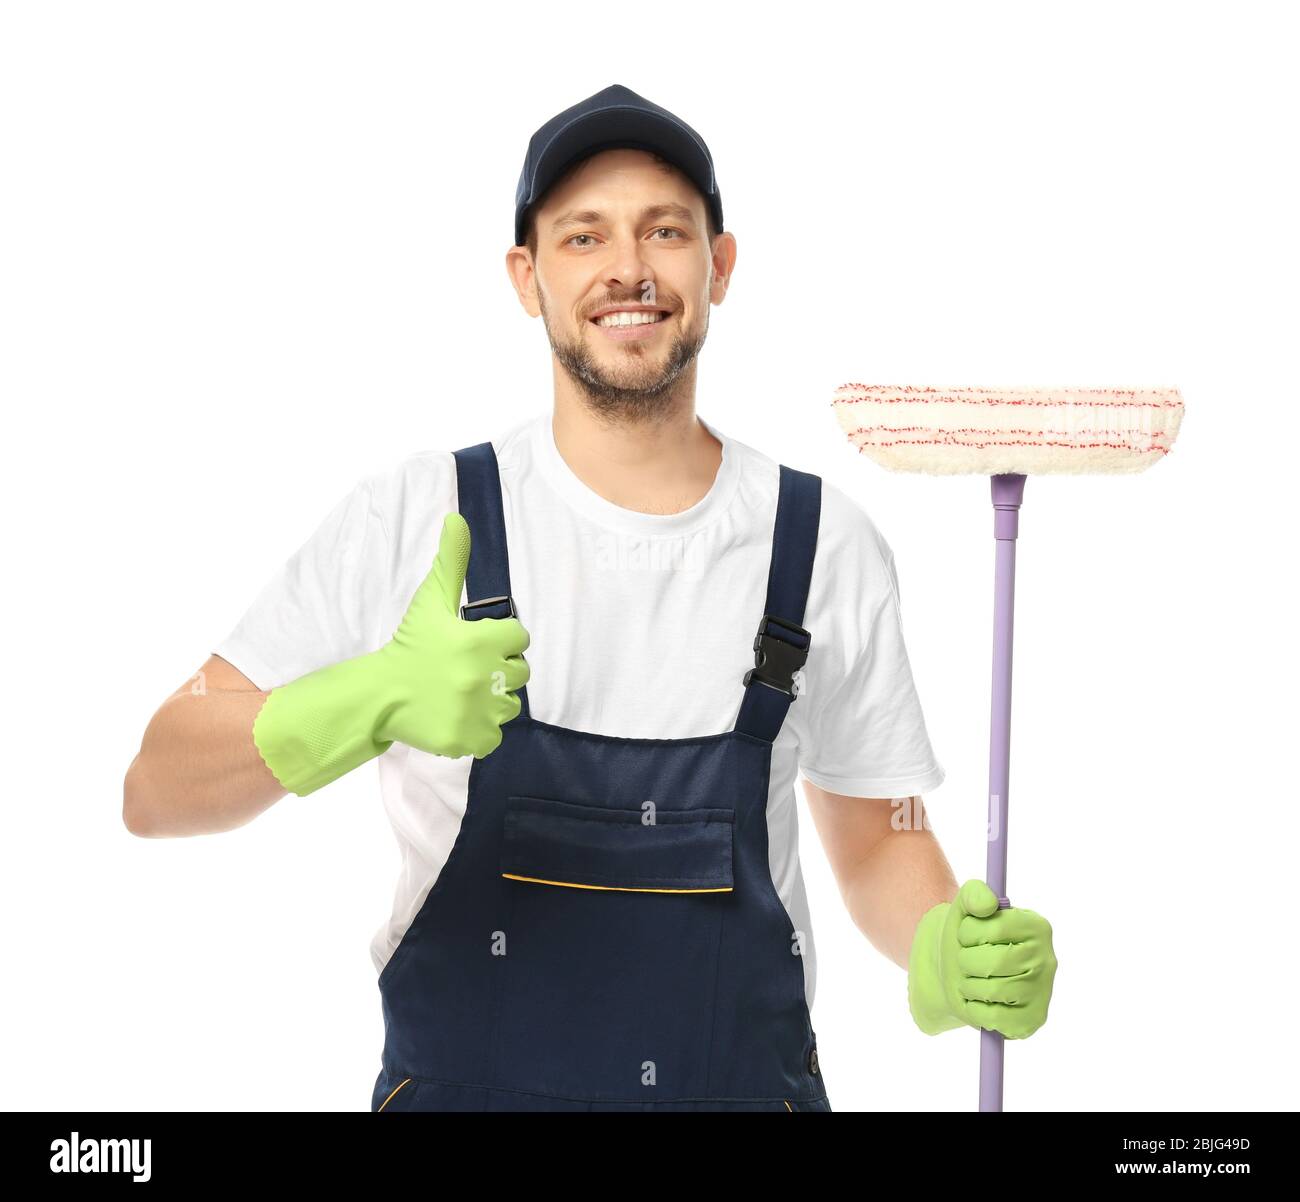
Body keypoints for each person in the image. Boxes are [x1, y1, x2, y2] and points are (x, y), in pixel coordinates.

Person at [123, 84, 1056, 1112]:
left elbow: (879, 830)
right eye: (582, 236)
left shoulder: (822, 541)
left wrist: (936, 941)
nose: (627, 268)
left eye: (665, 230)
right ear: (526, 276)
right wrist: (366, 699)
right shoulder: (417, 517)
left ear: (720, 265)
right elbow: (157, 785)